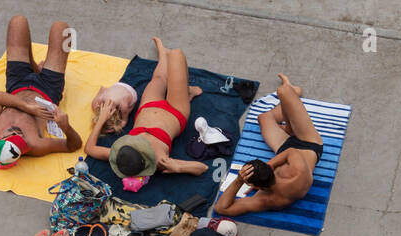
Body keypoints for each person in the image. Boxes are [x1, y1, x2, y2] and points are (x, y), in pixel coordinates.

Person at [85, 37, 208, 185]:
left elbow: (90, 148)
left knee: (158, 77)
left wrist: (101, 120)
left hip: (148, 106)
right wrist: (178, 167)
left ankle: (163, 53)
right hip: (175, 111)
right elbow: (202, 168)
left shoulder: (121, 156)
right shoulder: (159, 161)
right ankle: (187, 92)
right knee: (176, 54)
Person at [0, 17, 82, 168]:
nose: (19, 135)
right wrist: (66, 127)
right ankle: (36, 68)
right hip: (49, 90)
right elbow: (73, 146)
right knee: (63, 29)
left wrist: (27, 107)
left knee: (17, 22)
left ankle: (34, 66)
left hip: (17, 84)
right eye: (21, 140)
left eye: (12, 135)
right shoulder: (35, 145)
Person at [214, 74, 321, 215]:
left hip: (293, 146)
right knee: (275, 102)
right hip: (309, 143)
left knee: (273, 105)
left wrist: (239, 181)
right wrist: (260, 172)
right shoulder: (295, 173)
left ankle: (290, 110)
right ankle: (291, 99)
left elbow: (221, 208)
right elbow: (291, 152)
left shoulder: (268, 200)